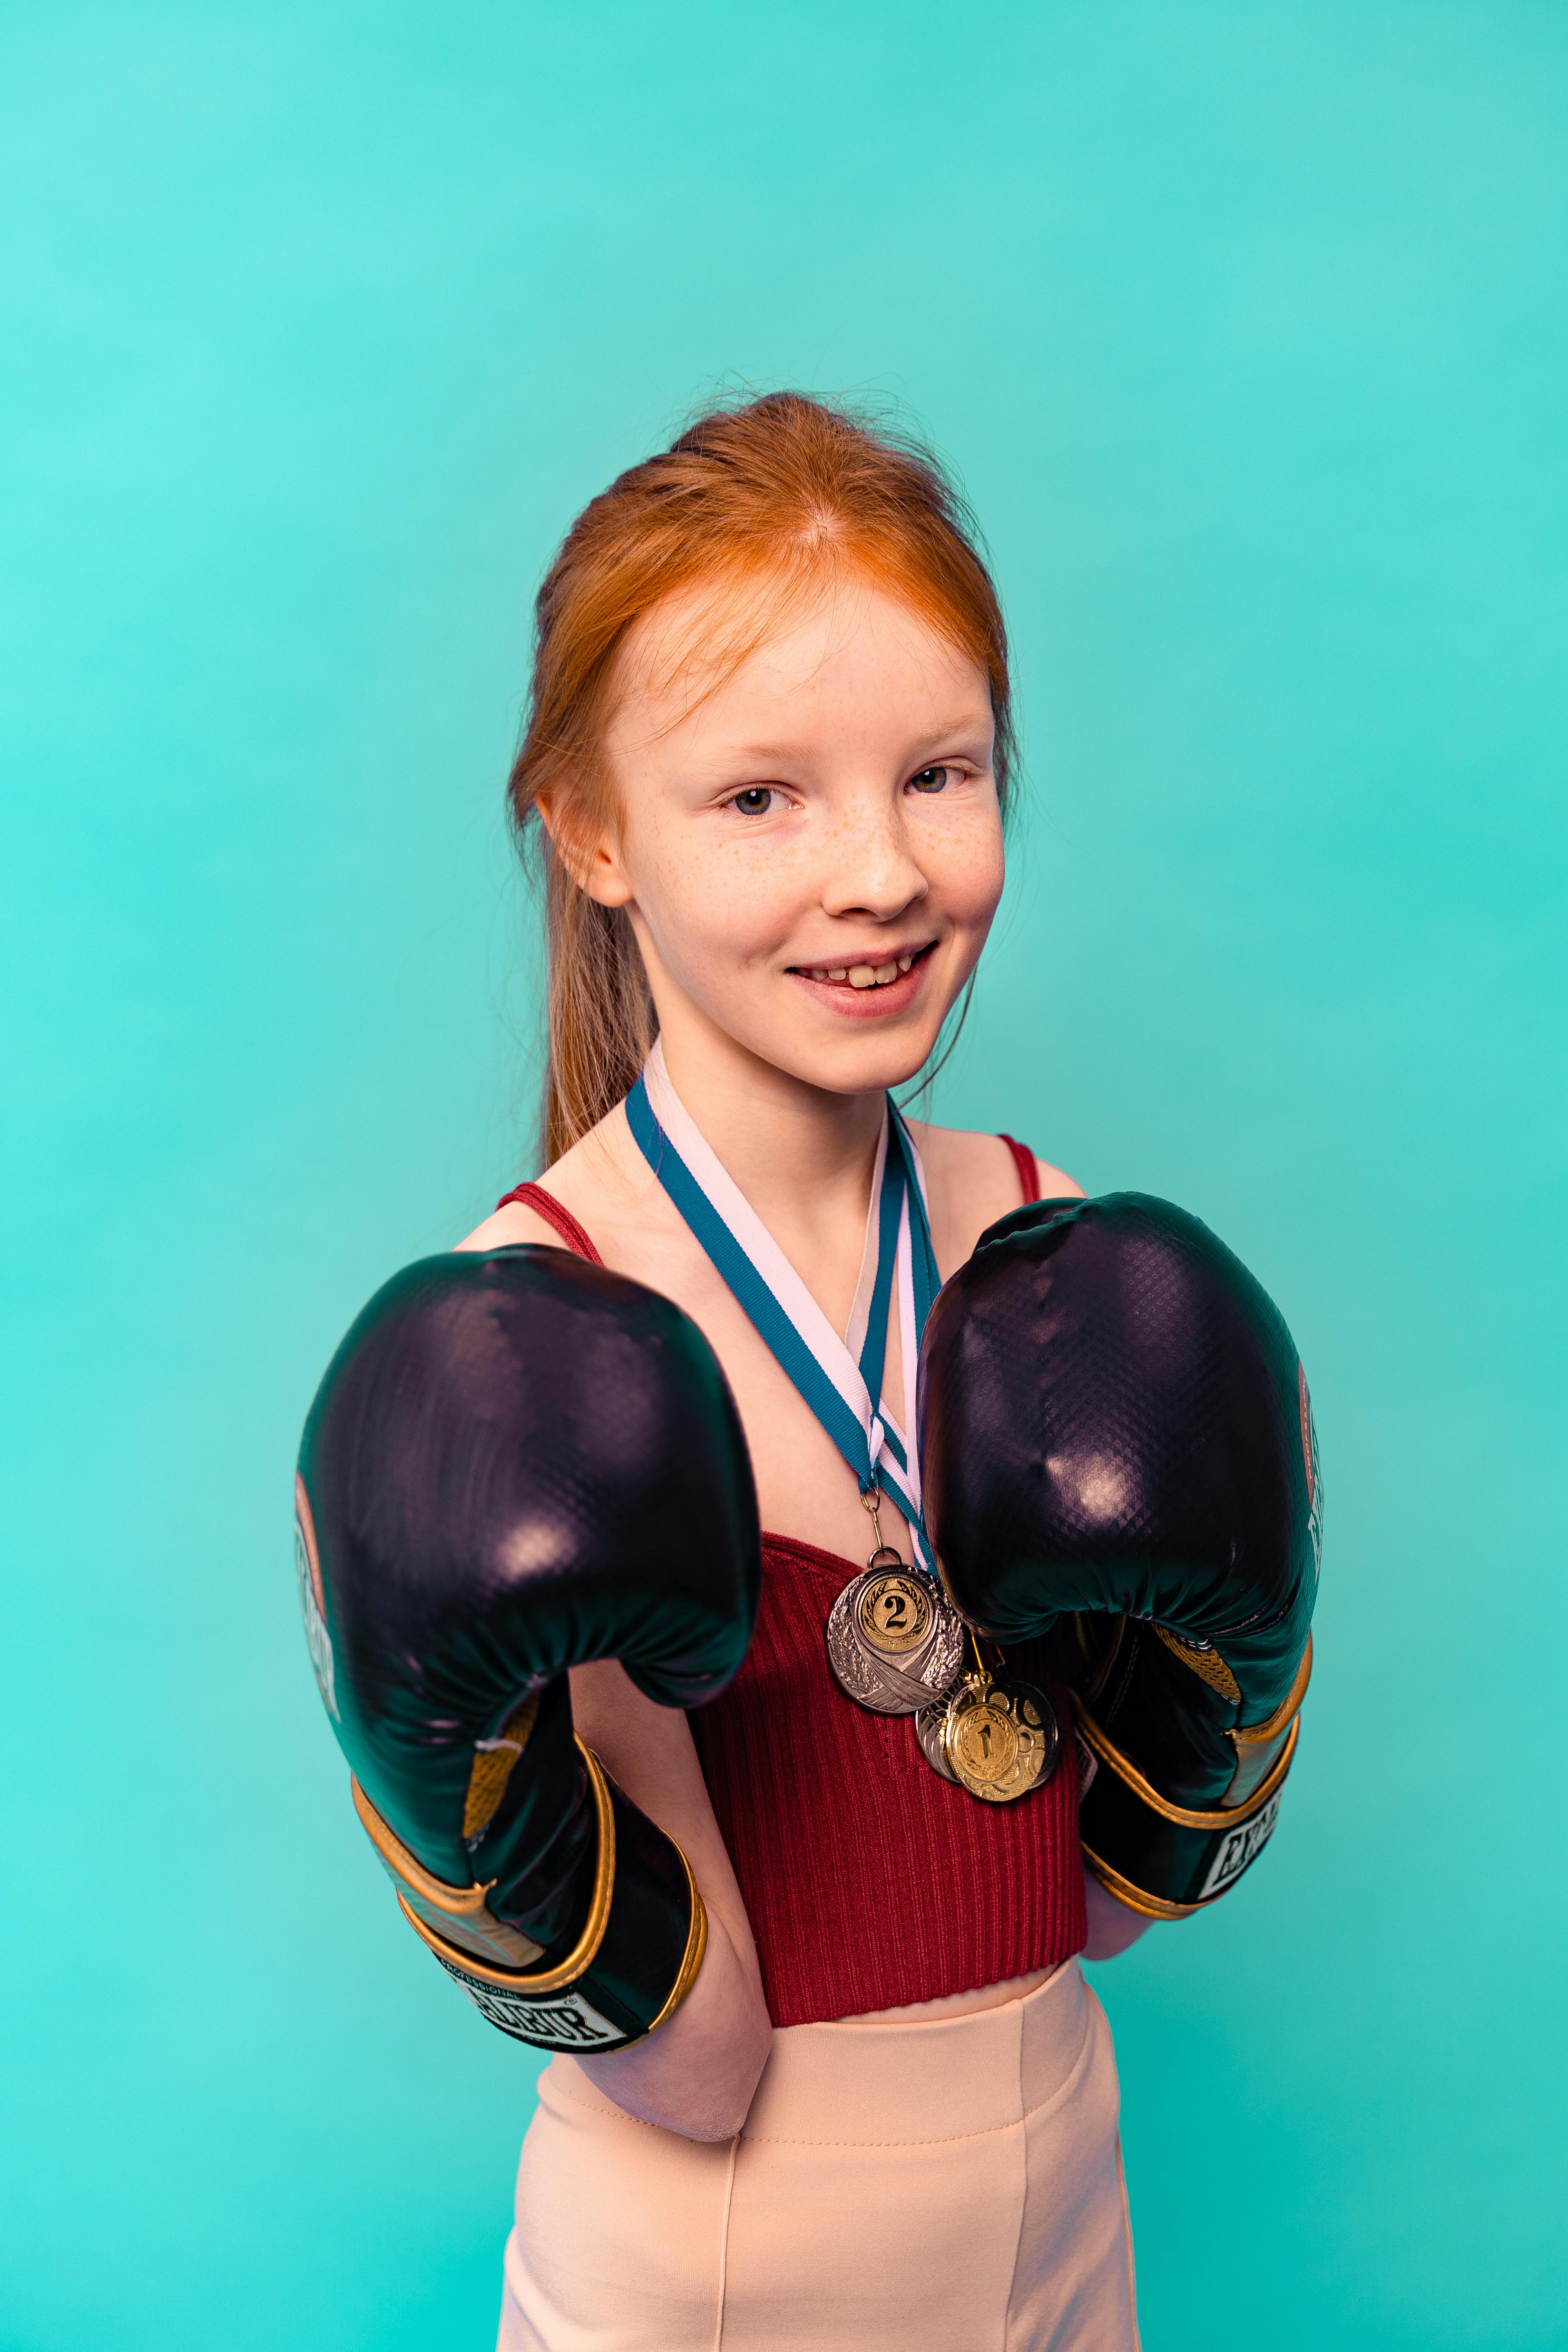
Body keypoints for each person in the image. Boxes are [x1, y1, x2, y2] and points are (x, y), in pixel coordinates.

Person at [295, 392, 1319, 2350]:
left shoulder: (1051, 1239)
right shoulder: (540, 1340)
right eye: (759, 798)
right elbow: (697, 2071)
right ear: (593, 831)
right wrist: (500, 1867)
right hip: (722, 2266)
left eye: (938, 773)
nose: (877, 874)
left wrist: (1222, 1721)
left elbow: (1097, 1908)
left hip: (1065, 2201)